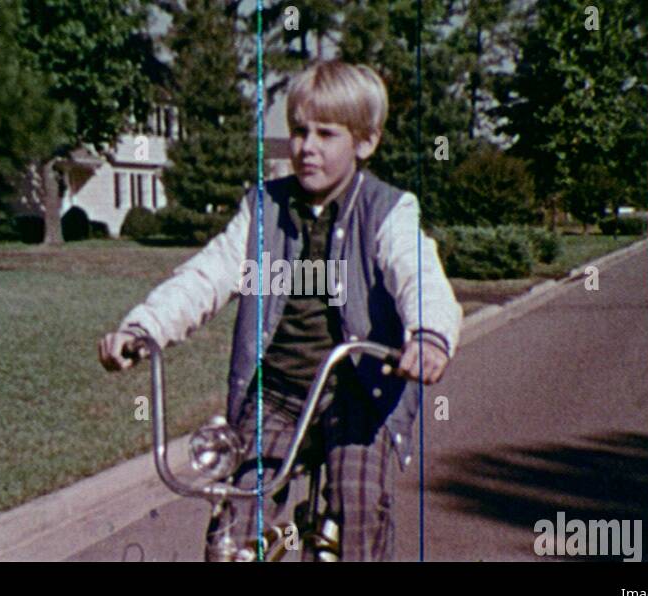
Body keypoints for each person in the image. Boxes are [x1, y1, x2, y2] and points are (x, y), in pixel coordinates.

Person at [98, 60, 462, 561]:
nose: (307, 146)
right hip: (279, 393)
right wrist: (144, 328)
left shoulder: (387, 209)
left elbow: (416, 272)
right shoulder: (264, 208)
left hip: (355, 393)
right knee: (235, 516)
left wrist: (429, 335)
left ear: (365, 142)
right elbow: (208, 275)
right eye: (298, 131)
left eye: (326, 134)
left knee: (357, 511)